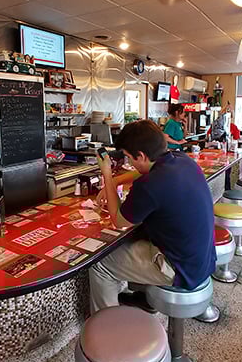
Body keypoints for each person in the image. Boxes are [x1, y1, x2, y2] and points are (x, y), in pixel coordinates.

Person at [90, 120, 216, 314]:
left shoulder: (151, 185)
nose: (129, 163)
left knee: (100, 262)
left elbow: (118, 220)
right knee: (136, 239)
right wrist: (115, 182)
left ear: (140, 155)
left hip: (181, 268)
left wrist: (107, 174)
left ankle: (107, 324)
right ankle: (145, 298)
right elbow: (144, 173)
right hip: (202, 258)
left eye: (128, 157)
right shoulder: (181, 159)